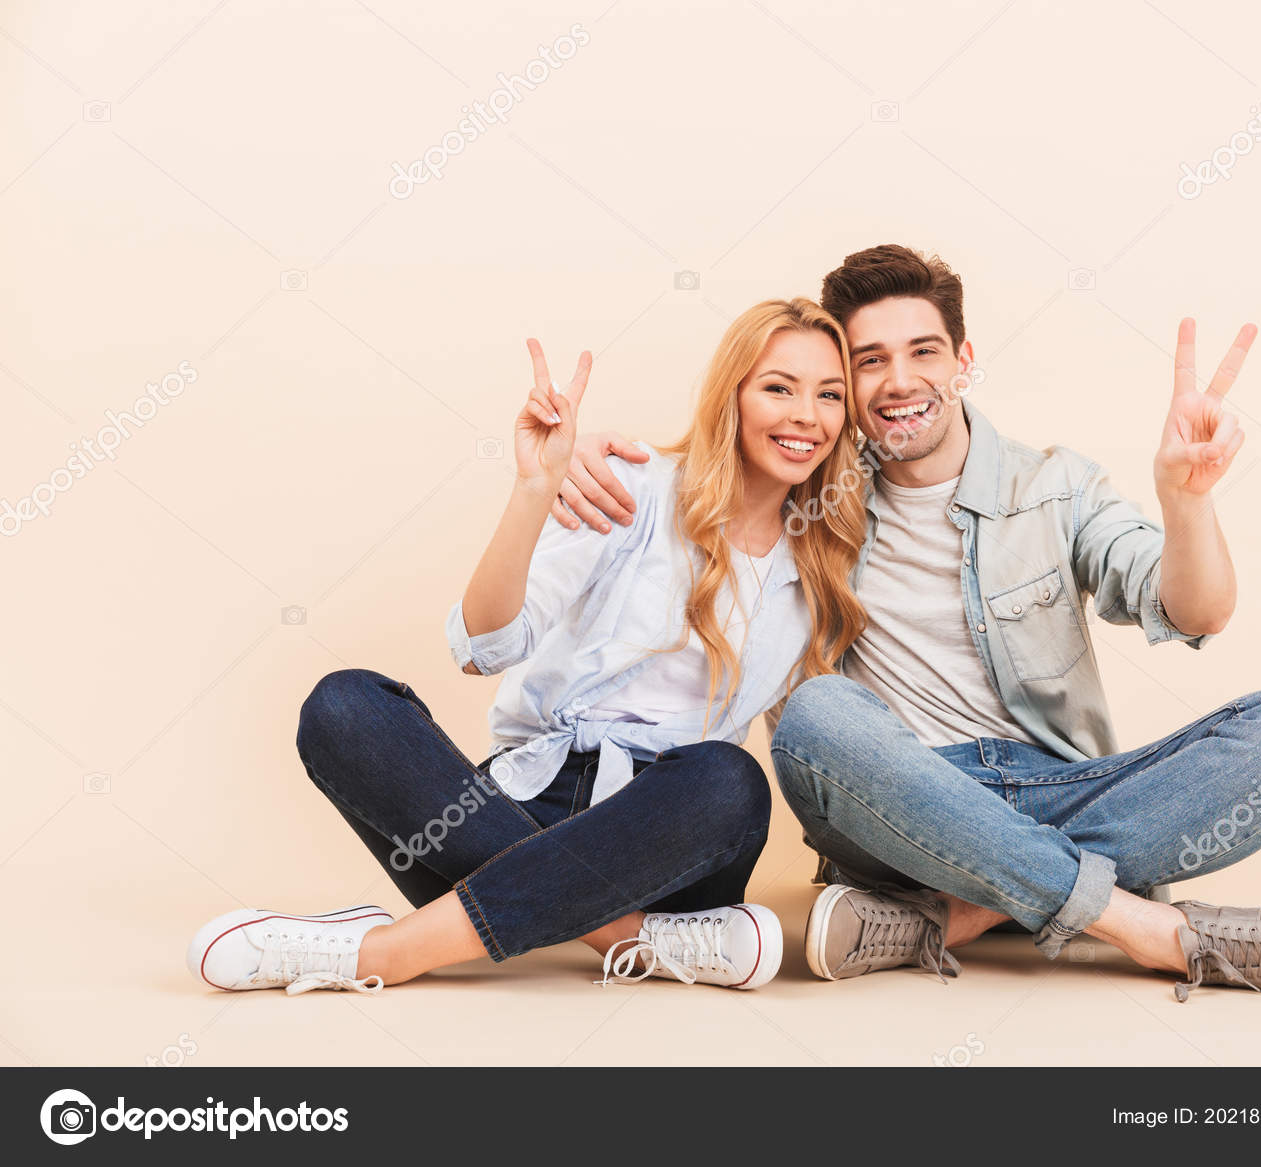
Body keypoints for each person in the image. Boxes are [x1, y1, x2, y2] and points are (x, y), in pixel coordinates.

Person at [562, 245, 1261, 1003]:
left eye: (922, 352)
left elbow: (1196, 609)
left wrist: (1186, 502)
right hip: (894, 807)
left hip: (1061, 781)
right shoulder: (804, 496)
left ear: (963, 360)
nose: (898, 380)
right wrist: (576, 463)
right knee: (816, 718)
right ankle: (1148, 928)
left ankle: (953, 915)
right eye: (868, 361)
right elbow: (698, 482)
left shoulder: (1055, 486)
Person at [187, 298, 867, 995]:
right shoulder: (631, 486)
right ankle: (629, 938)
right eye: (778, 387)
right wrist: (535, 488)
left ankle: (382, 951)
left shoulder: (823, 566)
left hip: (669, 839)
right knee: (343, 706)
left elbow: (804, 746)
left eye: (830, 395)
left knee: (731, 779)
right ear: (734, 395)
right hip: (517, 803)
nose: (805, 416)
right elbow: (485, 645)